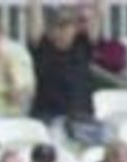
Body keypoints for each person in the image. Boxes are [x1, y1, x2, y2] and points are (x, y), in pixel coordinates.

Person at [27, 0, 106, 143]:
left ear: (75, 29)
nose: (62, 31)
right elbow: (34, 12)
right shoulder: (42, 47)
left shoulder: (83, 45)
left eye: (67, 26)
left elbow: (99, 13)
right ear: (51, 29)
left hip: (82, 117)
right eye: (58, 26)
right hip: (48, 117)